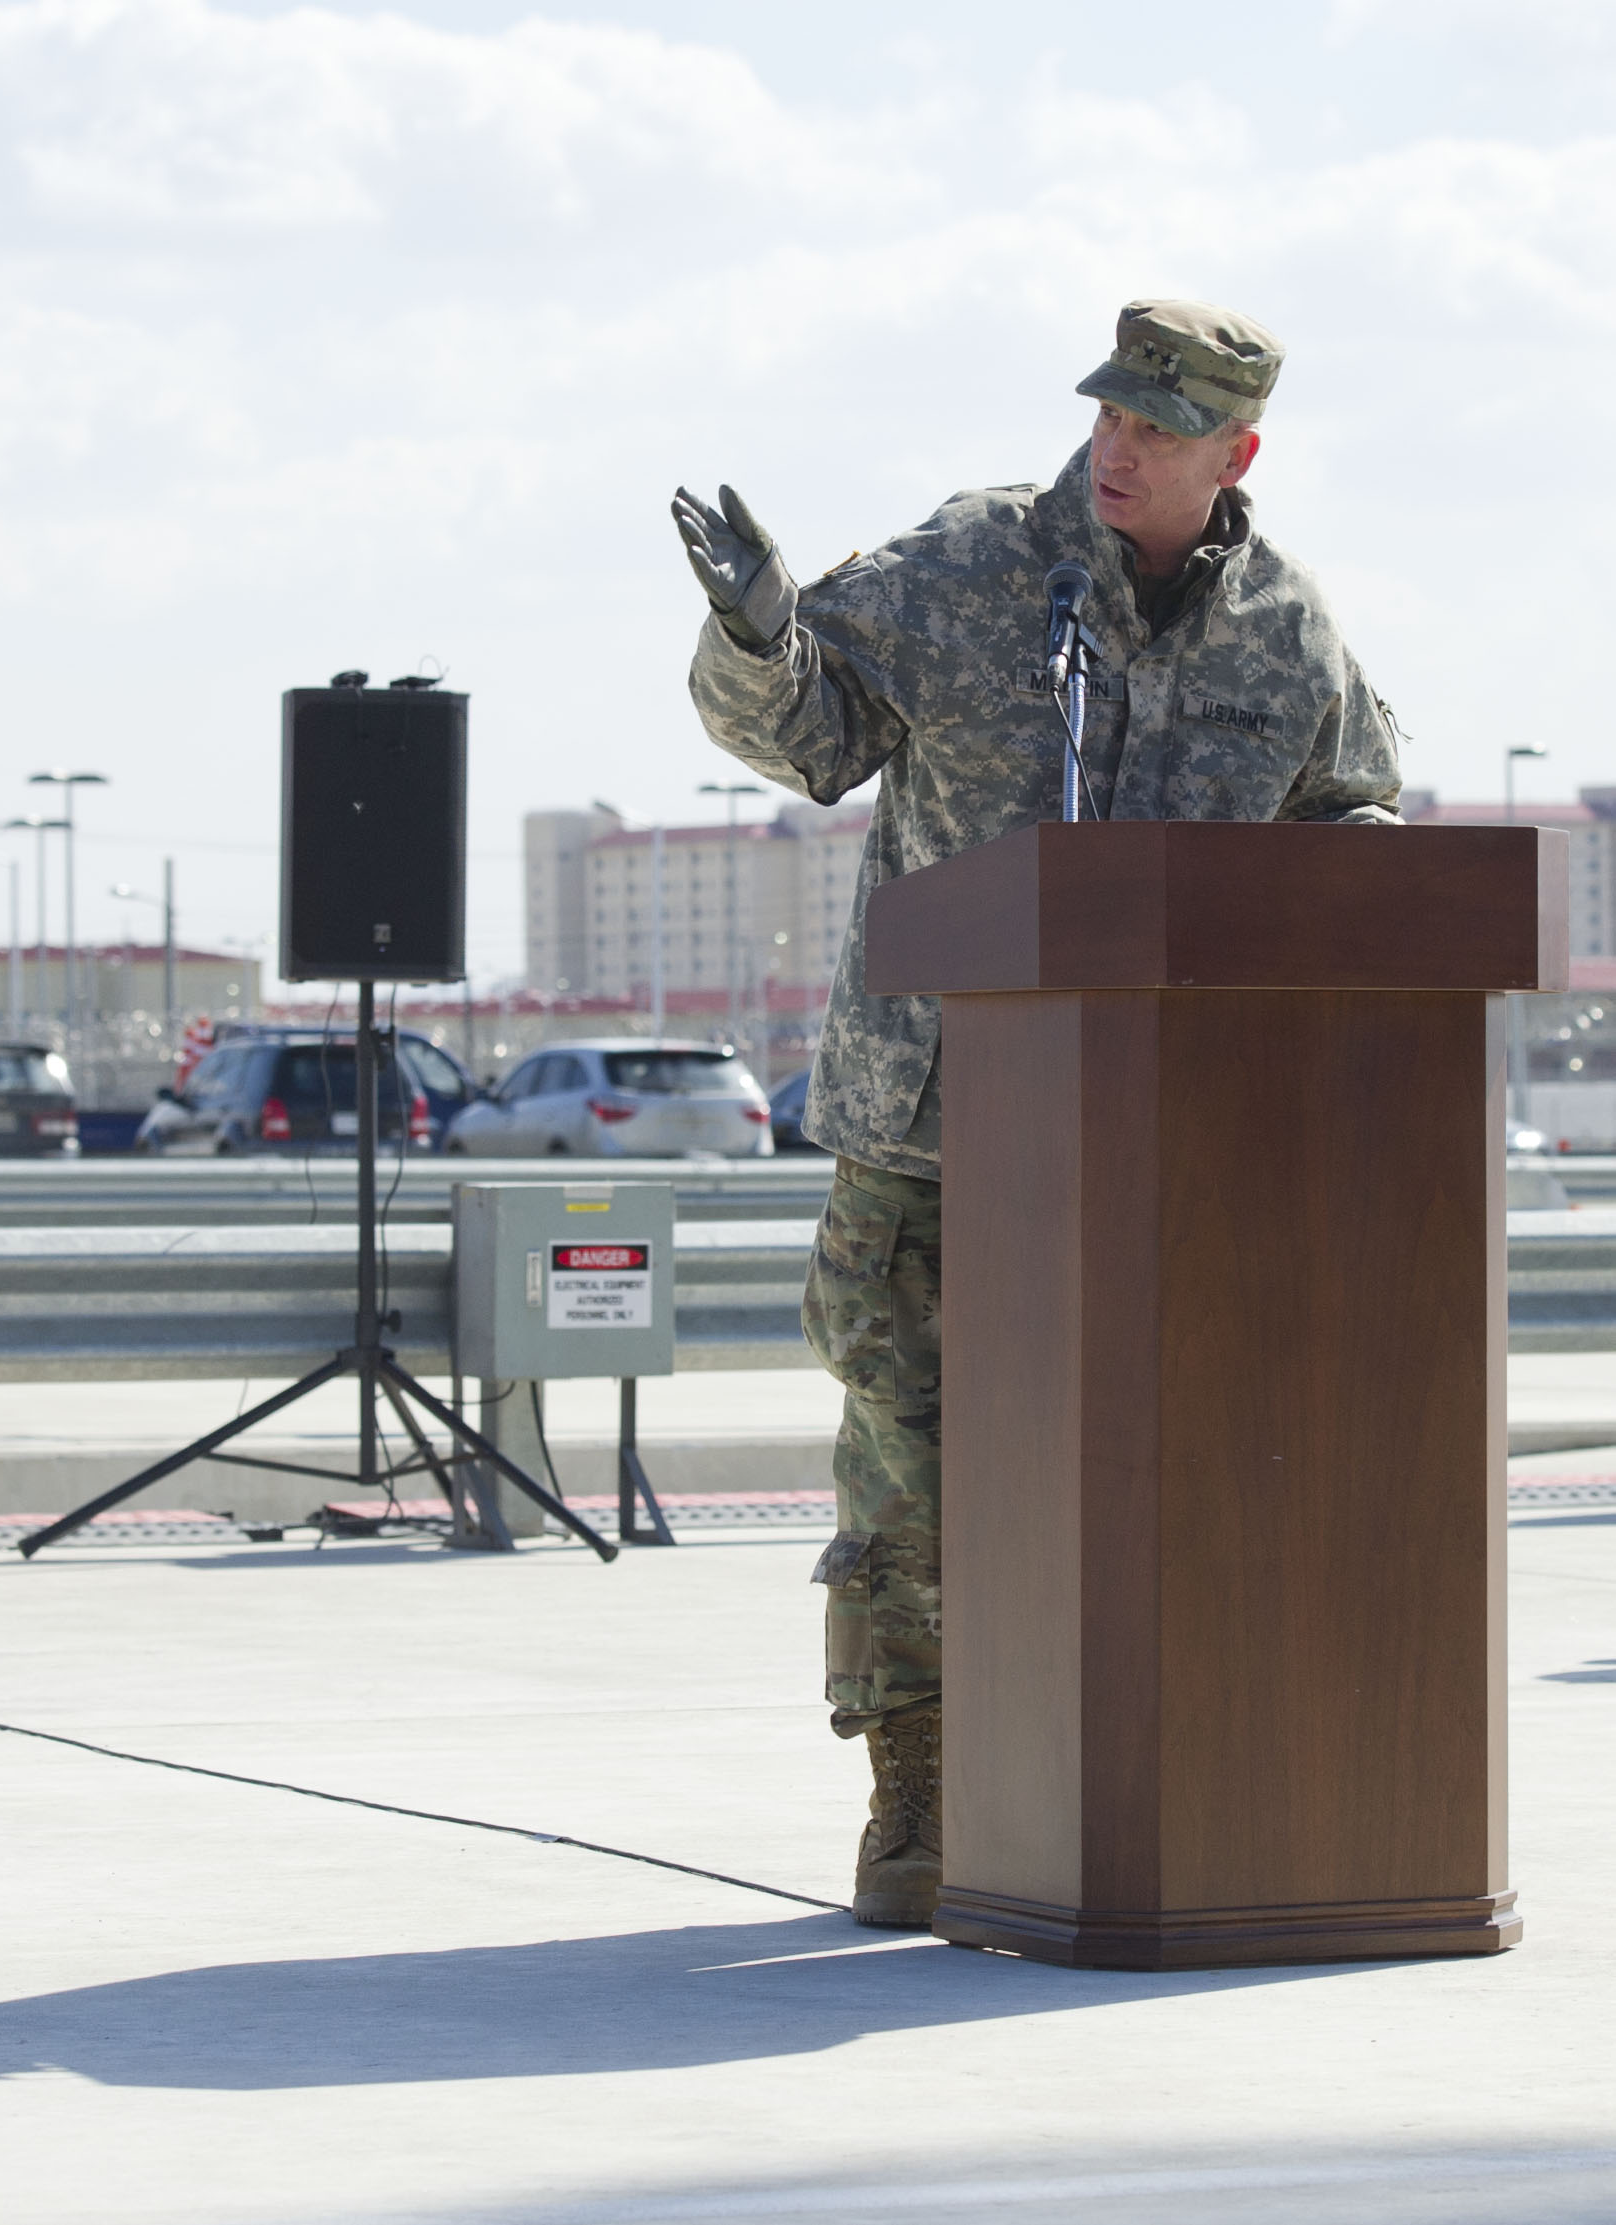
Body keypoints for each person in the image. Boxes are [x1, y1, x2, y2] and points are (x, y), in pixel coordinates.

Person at [672, 299, 1401, 1928]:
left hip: (1168, 1152)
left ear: (1239, 453)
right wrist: (755, 636)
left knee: (1150, 1476)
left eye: (1159, 426)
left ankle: (1143, 1778)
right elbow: (810, 733)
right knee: (911, 1467)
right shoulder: (976, 562)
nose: (1119, 445)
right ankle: (919, 1783)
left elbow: (1357, 827)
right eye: (1109, 414)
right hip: (932, 1127)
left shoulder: (1286, 631)